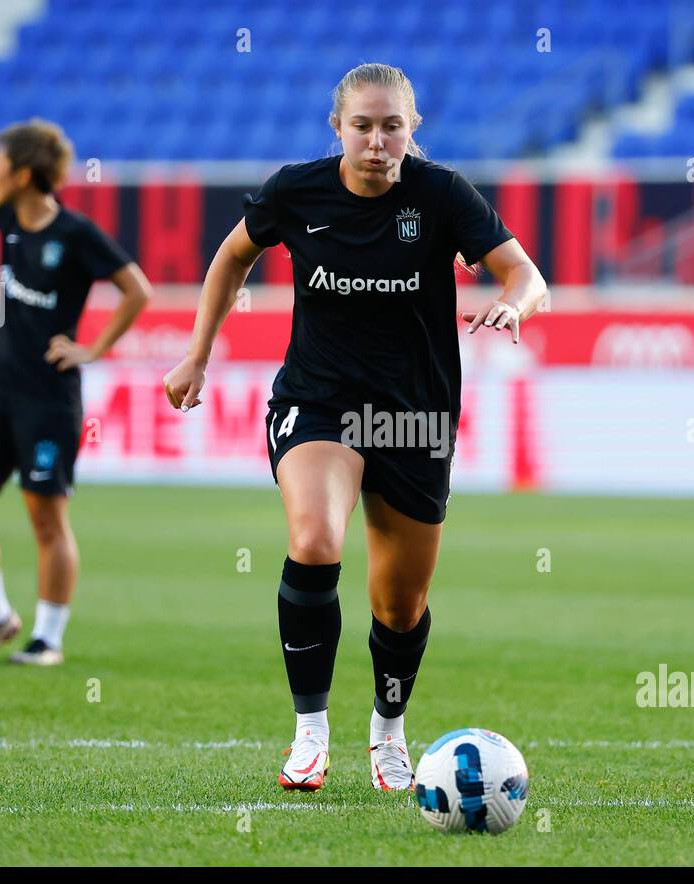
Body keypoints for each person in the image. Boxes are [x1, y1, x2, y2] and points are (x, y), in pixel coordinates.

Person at [162, 63, 546, 790]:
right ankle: (310, 733)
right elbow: (231, 257)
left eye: (391, 126)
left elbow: (527, 275)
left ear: (413, 130)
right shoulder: (296, 191)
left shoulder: (443, 197)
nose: (377, 141)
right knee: (313, 539)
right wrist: (196, 355)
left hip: (415, 416)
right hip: (319, 401)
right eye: (362, 125)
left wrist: (514, 304)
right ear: (336, 127)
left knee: (400, 605)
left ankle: (389, 733)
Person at [0, 44, 153, 665]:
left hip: (47, 395)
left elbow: (136, 290)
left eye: (2, 164)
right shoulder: (4, 212)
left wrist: (92, 349)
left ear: (27, 173)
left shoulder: (77, 235)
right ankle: (0, 615)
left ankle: (48, 638)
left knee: (45, 520)